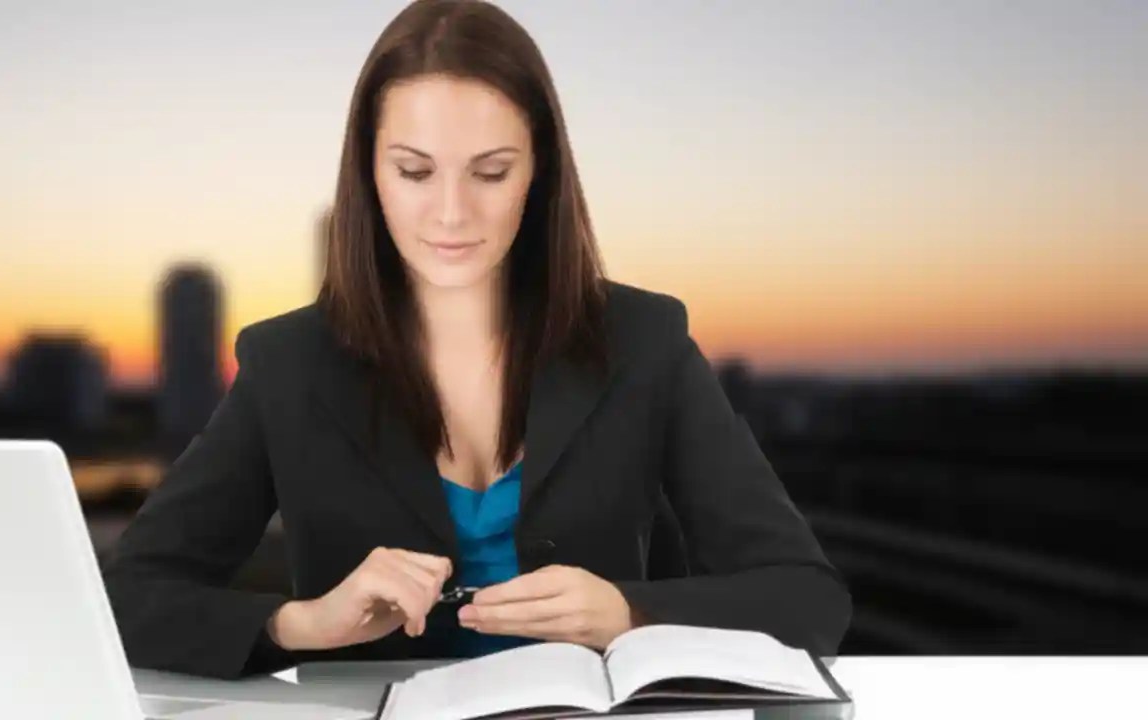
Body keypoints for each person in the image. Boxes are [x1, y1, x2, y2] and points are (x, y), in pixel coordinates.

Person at [100, 0, 851, 680]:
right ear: (368, 174)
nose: (452, 214)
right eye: (414, 171)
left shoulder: (644, 341)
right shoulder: (287, 364)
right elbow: (128, 598)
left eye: (491, 173)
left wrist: (630, 612)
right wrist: (302, 624)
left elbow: (807, 599)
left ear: (539, 173)